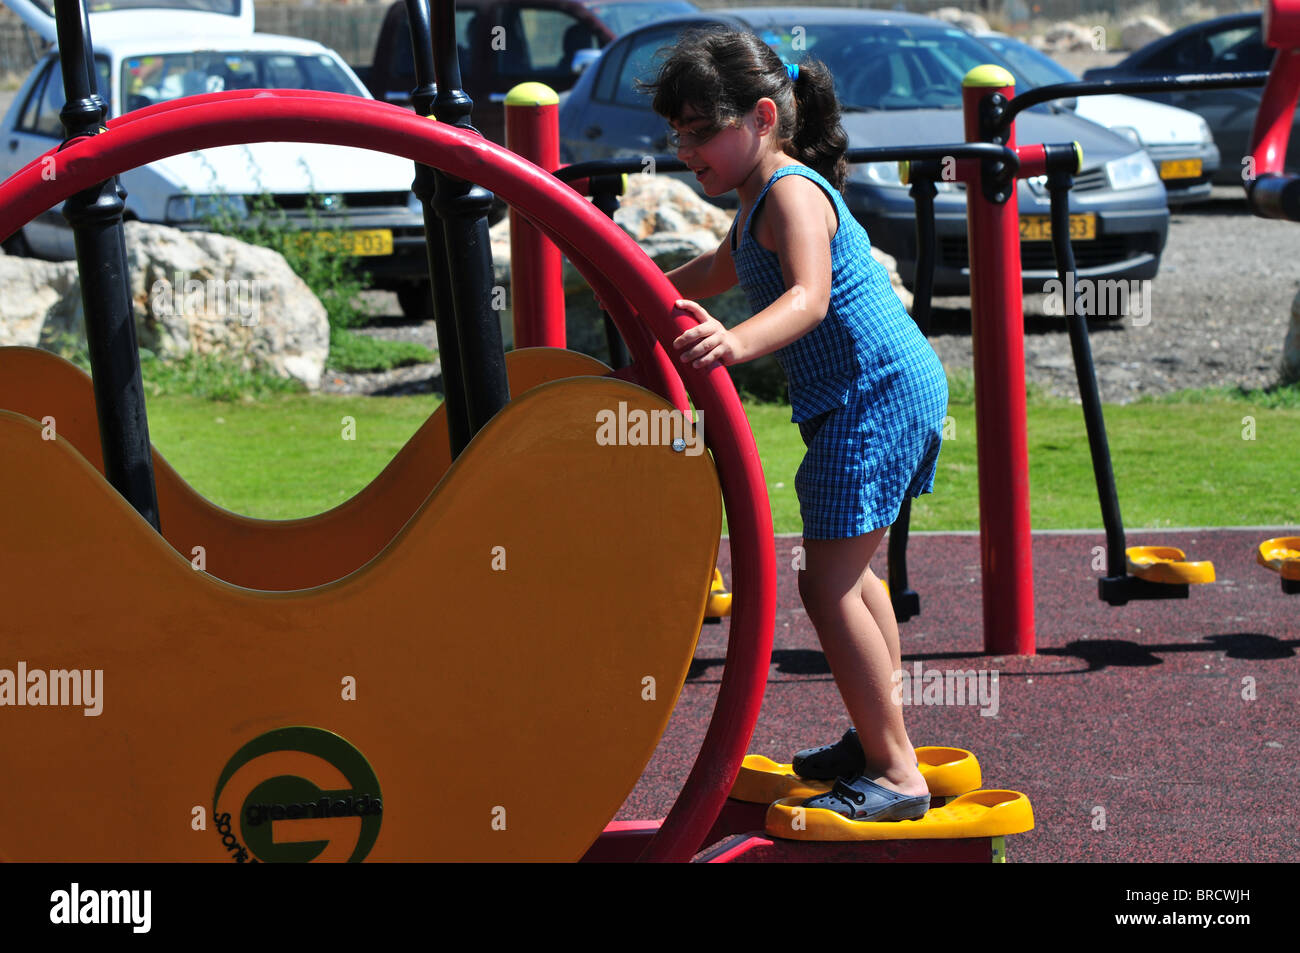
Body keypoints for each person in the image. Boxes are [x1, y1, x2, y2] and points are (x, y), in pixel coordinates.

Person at [645, 28, 948, 822]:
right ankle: (884, 741)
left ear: (765, 116)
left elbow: (809, 296)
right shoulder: (753, 203)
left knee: (825, 581)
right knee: (852, 577)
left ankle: (897, 775)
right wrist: (637, 286)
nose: (688, 148)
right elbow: (720, 271)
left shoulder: (792, 191)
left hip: (875, 391)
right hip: (868, 394)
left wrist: (733, 340)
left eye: (703, 129)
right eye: (678, 133)